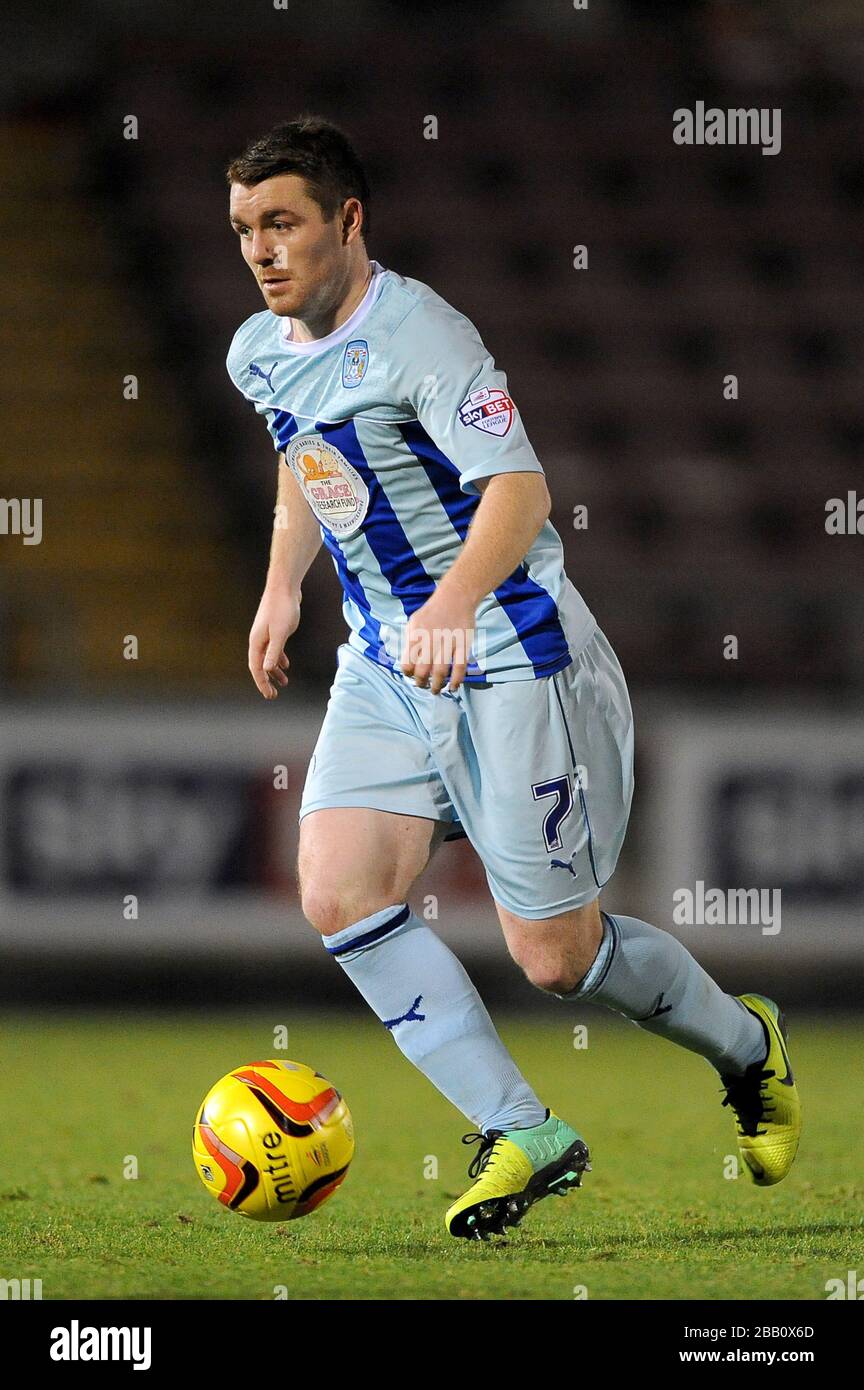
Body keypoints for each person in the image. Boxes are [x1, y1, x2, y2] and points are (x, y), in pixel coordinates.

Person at [225, 115, 801, 1240]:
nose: (262, 249)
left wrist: (451, 602)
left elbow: (520, 493)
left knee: (557, 958)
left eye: (284, 222)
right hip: (387, 662)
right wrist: (282, 585)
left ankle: (749, 1045)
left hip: (511, 652)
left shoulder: (424, 336)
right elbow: (307, 456)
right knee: (340, 892)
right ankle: (521, 1129)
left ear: (349, 220)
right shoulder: (257, 347)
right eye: (245, 228)